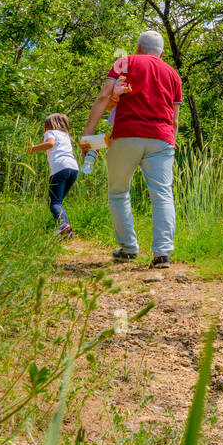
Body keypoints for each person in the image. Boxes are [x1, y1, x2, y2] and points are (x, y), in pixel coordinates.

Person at [80, 31, 182, 268]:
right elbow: (175, 120)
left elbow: (105, 95)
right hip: (162, 139)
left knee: (118, 192)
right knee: (162, 194)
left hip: (127, 134)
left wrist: (88, 136)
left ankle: (128, 248)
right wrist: (170, 144)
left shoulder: (125, 62)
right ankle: (162, 254)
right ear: (162, 53)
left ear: (137, 48)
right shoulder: (173, 74)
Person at [27, 113, 79, 238]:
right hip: (73, 168)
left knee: (54, 202)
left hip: (59, 168)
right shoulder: (65, 135)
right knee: (58, 201)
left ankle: (63, 226)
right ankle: (66, 230)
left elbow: (50, 144)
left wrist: (33, 148)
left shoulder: (50, 133)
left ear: (48, 125)